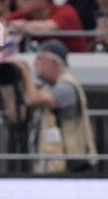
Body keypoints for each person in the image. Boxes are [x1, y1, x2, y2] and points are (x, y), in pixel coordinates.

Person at [17, 39, 96, 172]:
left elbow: (32, 99)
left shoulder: (67, 86)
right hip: (50, 163)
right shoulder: (47, 87)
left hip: (67, 165)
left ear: (54, 62)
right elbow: (19, 114)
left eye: (39, 59)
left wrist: (24, 71)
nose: (35, 64)